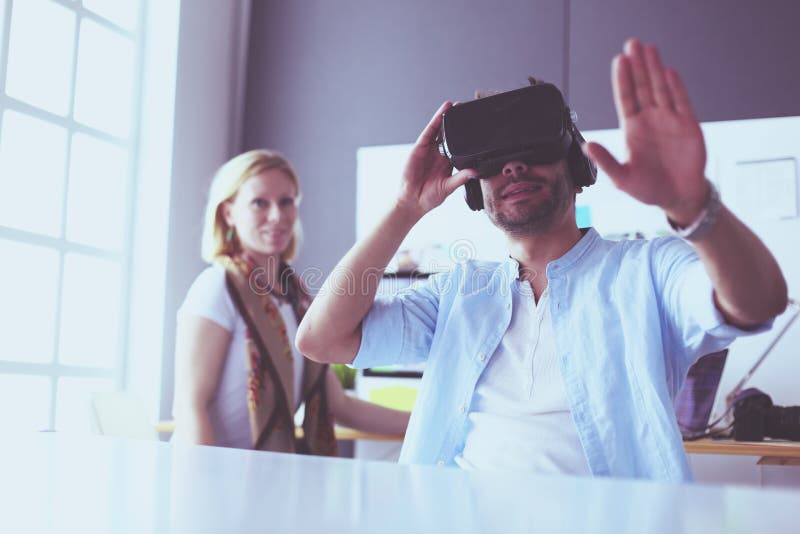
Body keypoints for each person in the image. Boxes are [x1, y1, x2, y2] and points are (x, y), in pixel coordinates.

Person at [295, 39, 788, 480]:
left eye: (534, 149)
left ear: (575, 167)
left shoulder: (649, 270)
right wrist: (405, 208)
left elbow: (758, 302)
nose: (514, 166)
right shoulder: (458, 292)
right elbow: (321, 339)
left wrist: (692, 205)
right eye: (496, 160)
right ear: (475, 190)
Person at [171, 149, 409, 453]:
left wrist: (427, 421)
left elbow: (340, 405)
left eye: (286, 202)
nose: (277, 216)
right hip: (218, 478)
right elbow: (190, 407)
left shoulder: (297, 300)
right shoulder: (217, 286)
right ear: (228, 213)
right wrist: (205, 484)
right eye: (260, 203)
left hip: (266, 475)